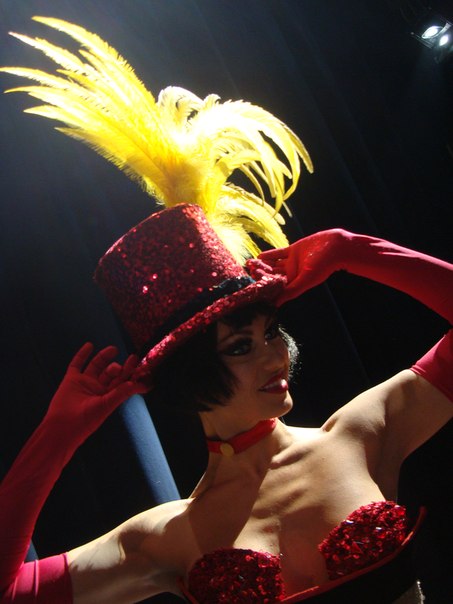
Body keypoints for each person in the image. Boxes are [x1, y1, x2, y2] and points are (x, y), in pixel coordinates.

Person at [1, 17, 452, 604]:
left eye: (271, 332)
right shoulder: (163, 537)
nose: (274, 356)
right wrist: (58, 435)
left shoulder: (364, 431)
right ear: (189, 376)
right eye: (241, 346)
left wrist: (353, 250)